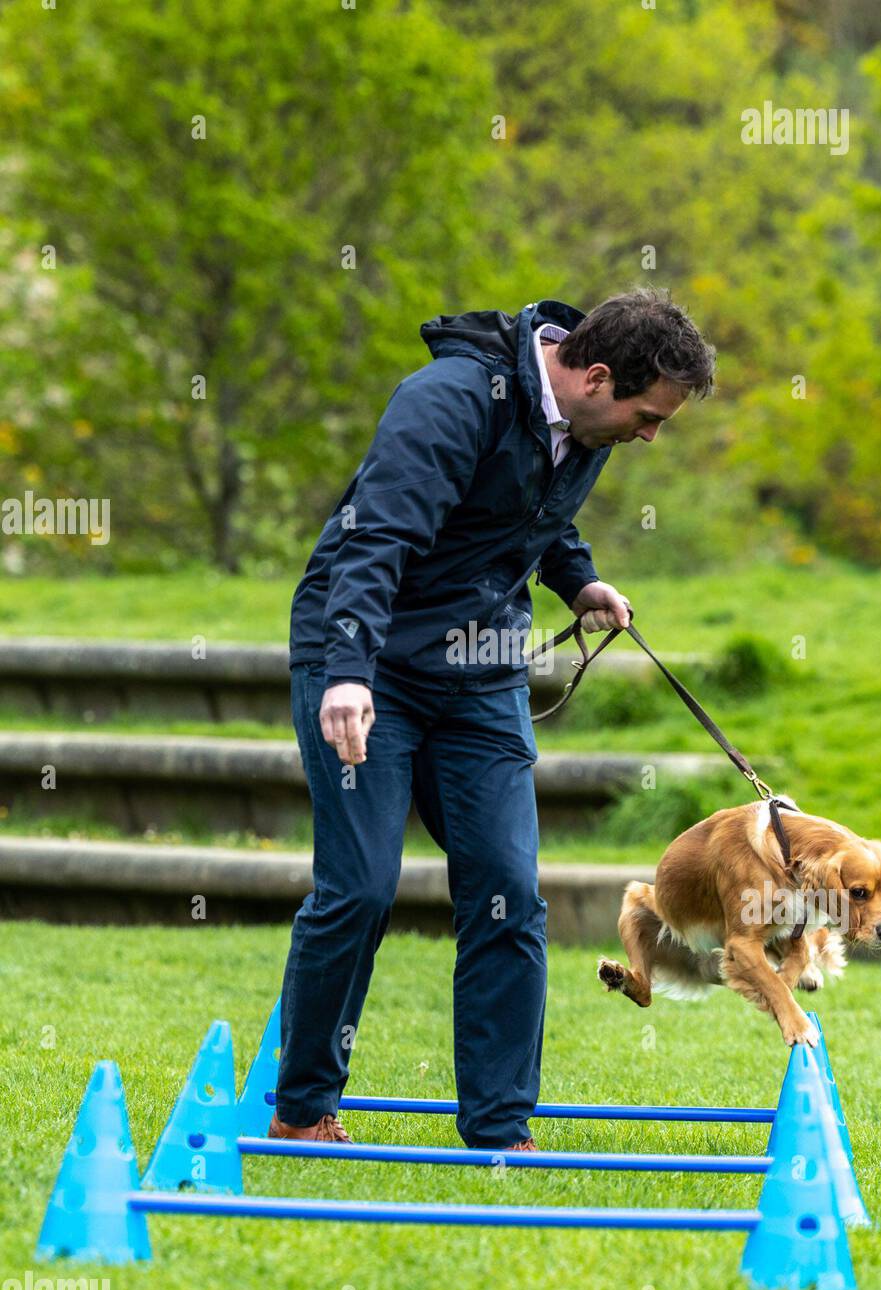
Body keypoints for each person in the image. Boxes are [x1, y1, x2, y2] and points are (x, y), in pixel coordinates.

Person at [275, 288, 715, 1150]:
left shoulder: (584, 423)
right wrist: (348, 673)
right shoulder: (447, 401)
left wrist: (578, 579)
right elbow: (380, 536)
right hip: (368, 664)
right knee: (360, 887)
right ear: (593, 377)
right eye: (647, 416)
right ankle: (304, 1106)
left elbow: (534, 512)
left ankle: (500, 1127)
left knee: (510, 891)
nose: (649, 434)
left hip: (480, 672)